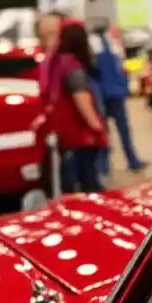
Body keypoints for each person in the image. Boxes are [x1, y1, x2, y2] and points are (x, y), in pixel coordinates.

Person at [37, 21, 107, 193]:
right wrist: (98, 127)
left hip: (64, 135)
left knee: (71, 181)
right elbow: (81, 100)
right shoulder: (73, 67)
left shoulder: (55, 62)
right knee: (89, 182)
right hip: (81, 135)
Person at [91, 23, 147, 175]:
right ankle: (116, 164)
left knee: (113, 131)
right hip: (109, 94)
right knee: (117, 130)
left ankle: (107, 166)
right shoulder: (103, 47)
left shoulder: (104, 46)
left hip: (108, 94)